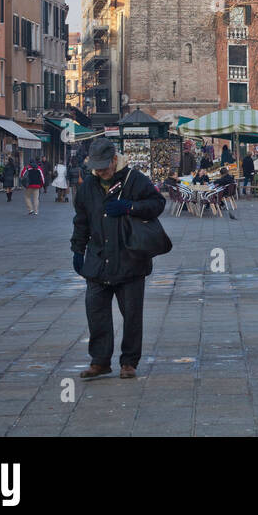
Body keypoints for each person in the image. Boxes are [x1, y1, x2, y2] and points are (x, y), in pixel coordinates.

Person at [71, 137, 166, 380]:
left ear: (115, 160)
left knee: (132, 315)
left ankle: (129, 362)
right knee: (96, 313)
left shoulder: (135, 180)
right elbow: (81, 221)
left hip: (130, 258)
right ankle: (100, 361)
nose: (101, 170)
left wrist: (129, 207)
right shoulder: (88, 187)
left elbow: (157, 203)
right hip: (98, 260)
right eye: (97, 166)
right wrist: (77, 251)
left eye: (105, 165)